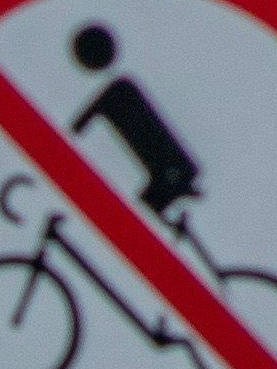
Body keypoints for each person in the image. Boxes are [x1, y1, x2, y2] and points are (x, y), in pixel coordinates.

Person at [64, 23, 208, 227]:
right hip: (172, 168)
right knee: (150, 201)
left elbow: (81, 121)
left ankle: (163, 238)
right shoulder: (121, 87)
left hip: (171, 169)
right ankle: (169, 230)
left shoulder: (120, 89)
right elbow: (84, 120)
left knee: (149, 202)